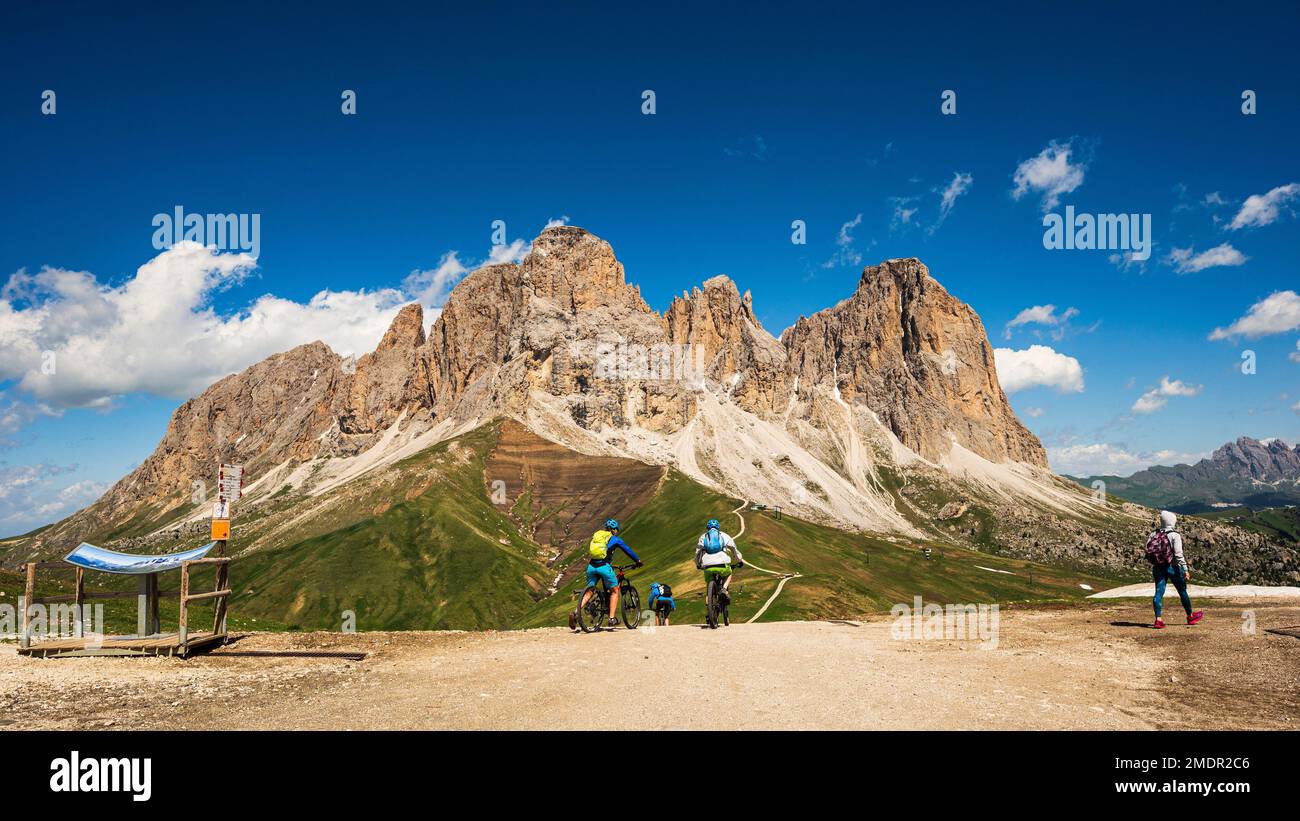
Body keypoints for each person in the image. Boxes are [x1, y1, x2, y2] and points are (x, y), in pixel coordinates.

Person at [1145, 510, 1204, 629]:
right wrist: (1185, 569)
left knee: (1158, 592)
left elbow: (1147, 550)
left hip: (1158, 568)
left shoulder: (1153, 534)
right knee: (1182, 591)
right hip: (1173, 567)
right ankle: (1190, 616)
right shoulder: (1174, 535)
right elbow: (1178, 554)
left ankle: (1158, 620)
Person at [580, 518, 641, 627]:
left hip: (591, 566)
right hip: (604, 566)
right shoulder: (615, 539)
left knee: (590, 591)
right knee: (614, 591)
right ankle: (612, 619)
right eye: (617, 530)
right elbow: (628, 550)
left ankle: (576, 612)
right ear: (614, 530)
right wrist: (638, 561)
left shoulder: (598, 537)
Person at [695, 517, 743, 605]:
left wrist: (698, 564)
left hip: (707, 565)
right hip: (722, 562)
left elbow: (698, 552)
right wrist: (739, 560)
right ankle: (724, 589)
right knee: (729, 573)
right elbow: (733, 548)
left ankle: (708, 601)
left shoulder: (703, 537)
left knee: (709, 581)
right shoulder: (724, 535)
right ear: (718, 527)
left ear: (707, 528)